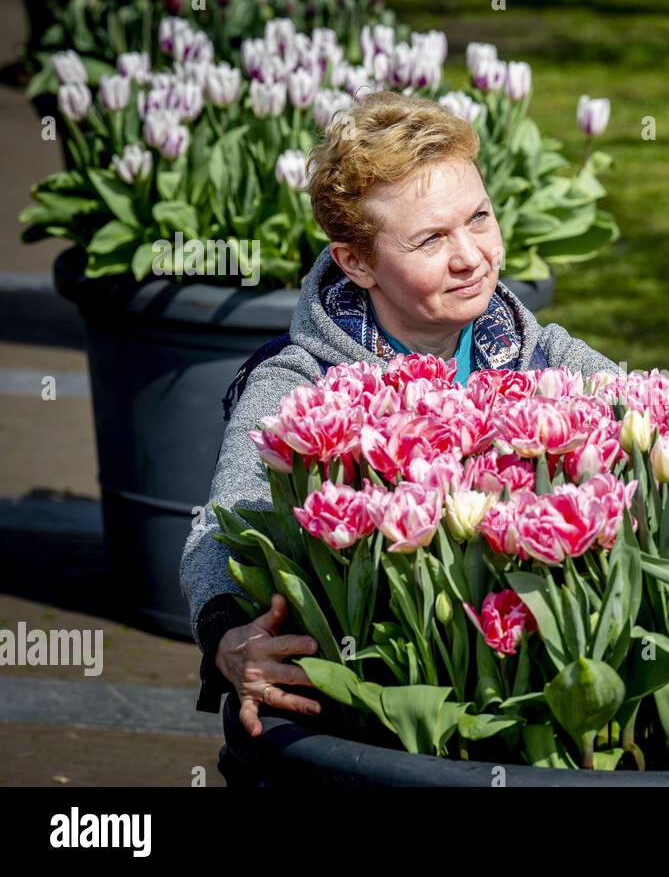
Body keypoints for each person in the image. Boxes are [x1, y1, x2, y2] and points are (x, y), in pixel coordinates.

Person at [180, 91, 621, 738]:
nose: (471, 255)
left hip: (525, 704)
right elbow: (220, 531)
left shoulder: (542, 358)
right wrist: (226, 639)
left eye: (478, 218)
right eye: (431, 239)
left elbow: (661, 421)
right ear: (356, 261)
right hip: (361, 716)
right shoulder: (300, 385)